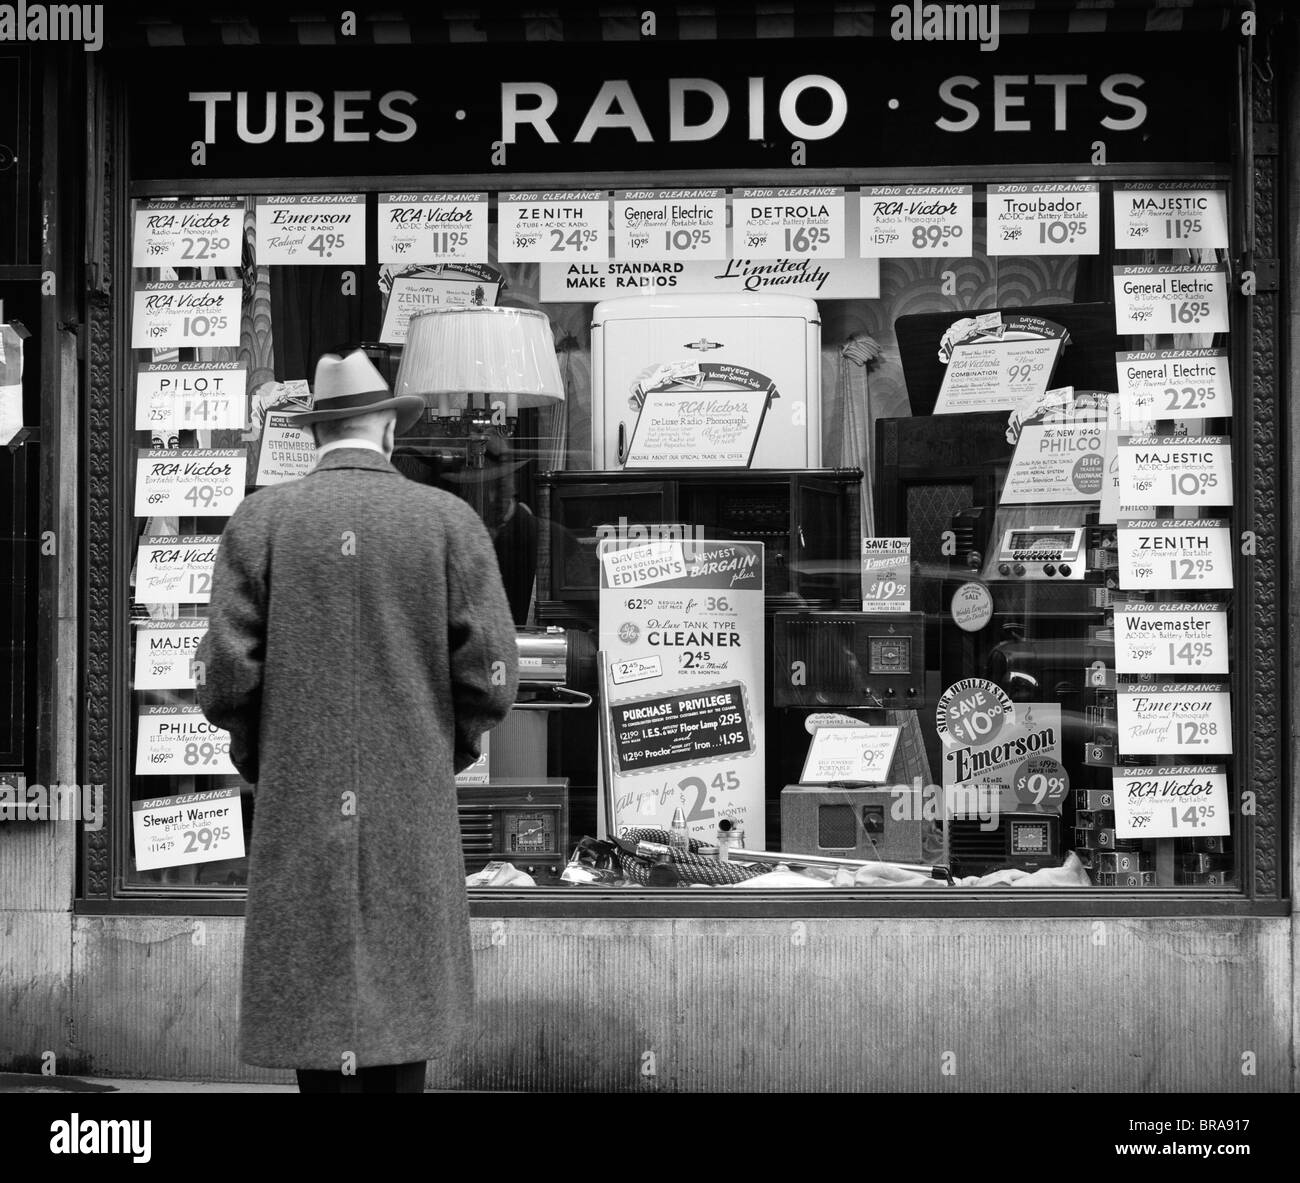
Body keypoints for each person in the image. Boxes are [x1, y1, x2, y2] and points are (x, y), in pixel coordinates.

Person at [195, 349, 519, 1093]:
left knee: (315, 1006)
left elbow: (224, 677)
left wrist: (267, 754)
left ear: (316, 435)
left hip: (298, 797)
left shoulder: (263, 518)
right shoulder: (446, 520)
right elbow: (492, 672)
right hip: (413, 797)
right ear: (388, 431)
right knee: (407, 1010)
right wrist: (445, 747)